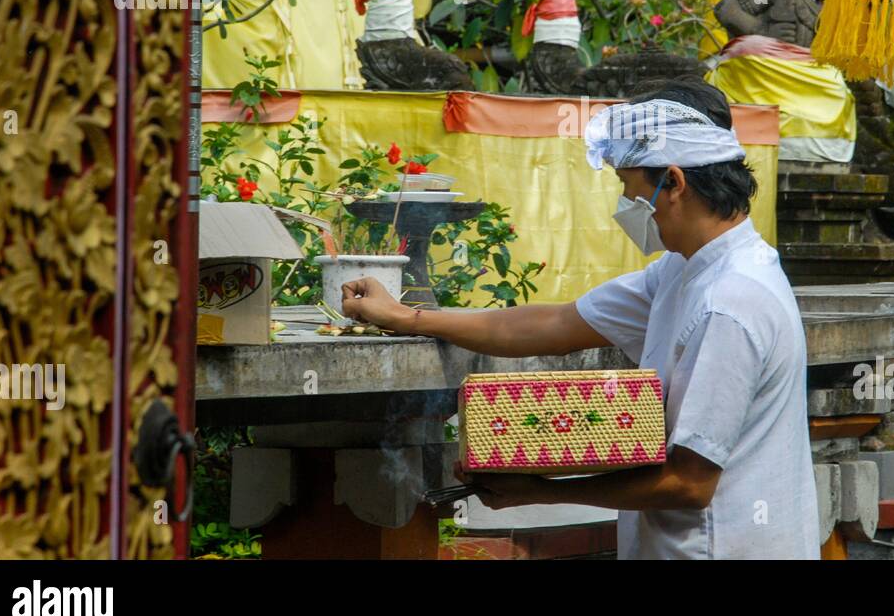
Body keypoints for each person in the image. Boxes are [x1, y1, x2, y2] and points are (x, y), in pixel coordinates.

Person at [341, 79, 819, 559]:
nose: (626, 207)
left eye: (629, 188)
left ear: (673, 182)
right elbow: (556, 325)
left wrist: (541, 490)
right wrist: (409, 317)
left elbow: (689, 484)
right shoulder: (685, 269)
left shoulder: (728, 303)